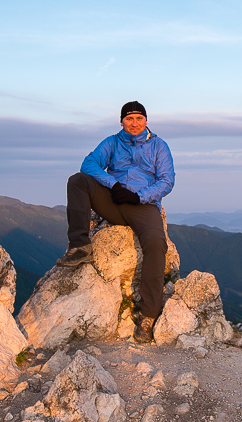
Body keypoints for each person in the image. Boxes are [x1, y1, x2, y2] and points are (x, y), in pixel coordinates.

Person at [58, 101, 174, 344]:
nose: (134, 123)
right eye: (129, 119)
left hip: (142, 205)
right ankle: (80, 247)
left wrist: (139, 196)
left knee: (155, 243)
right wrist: (114, 185)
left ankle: (148, 315)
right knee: (77, 181)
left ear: (146, 121)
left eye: (139, 119)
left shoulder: (159, 146)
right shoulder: (112, 142)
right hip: (113, 200)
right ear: (122, 121)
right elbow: (89, 164)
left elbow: (167, 180)